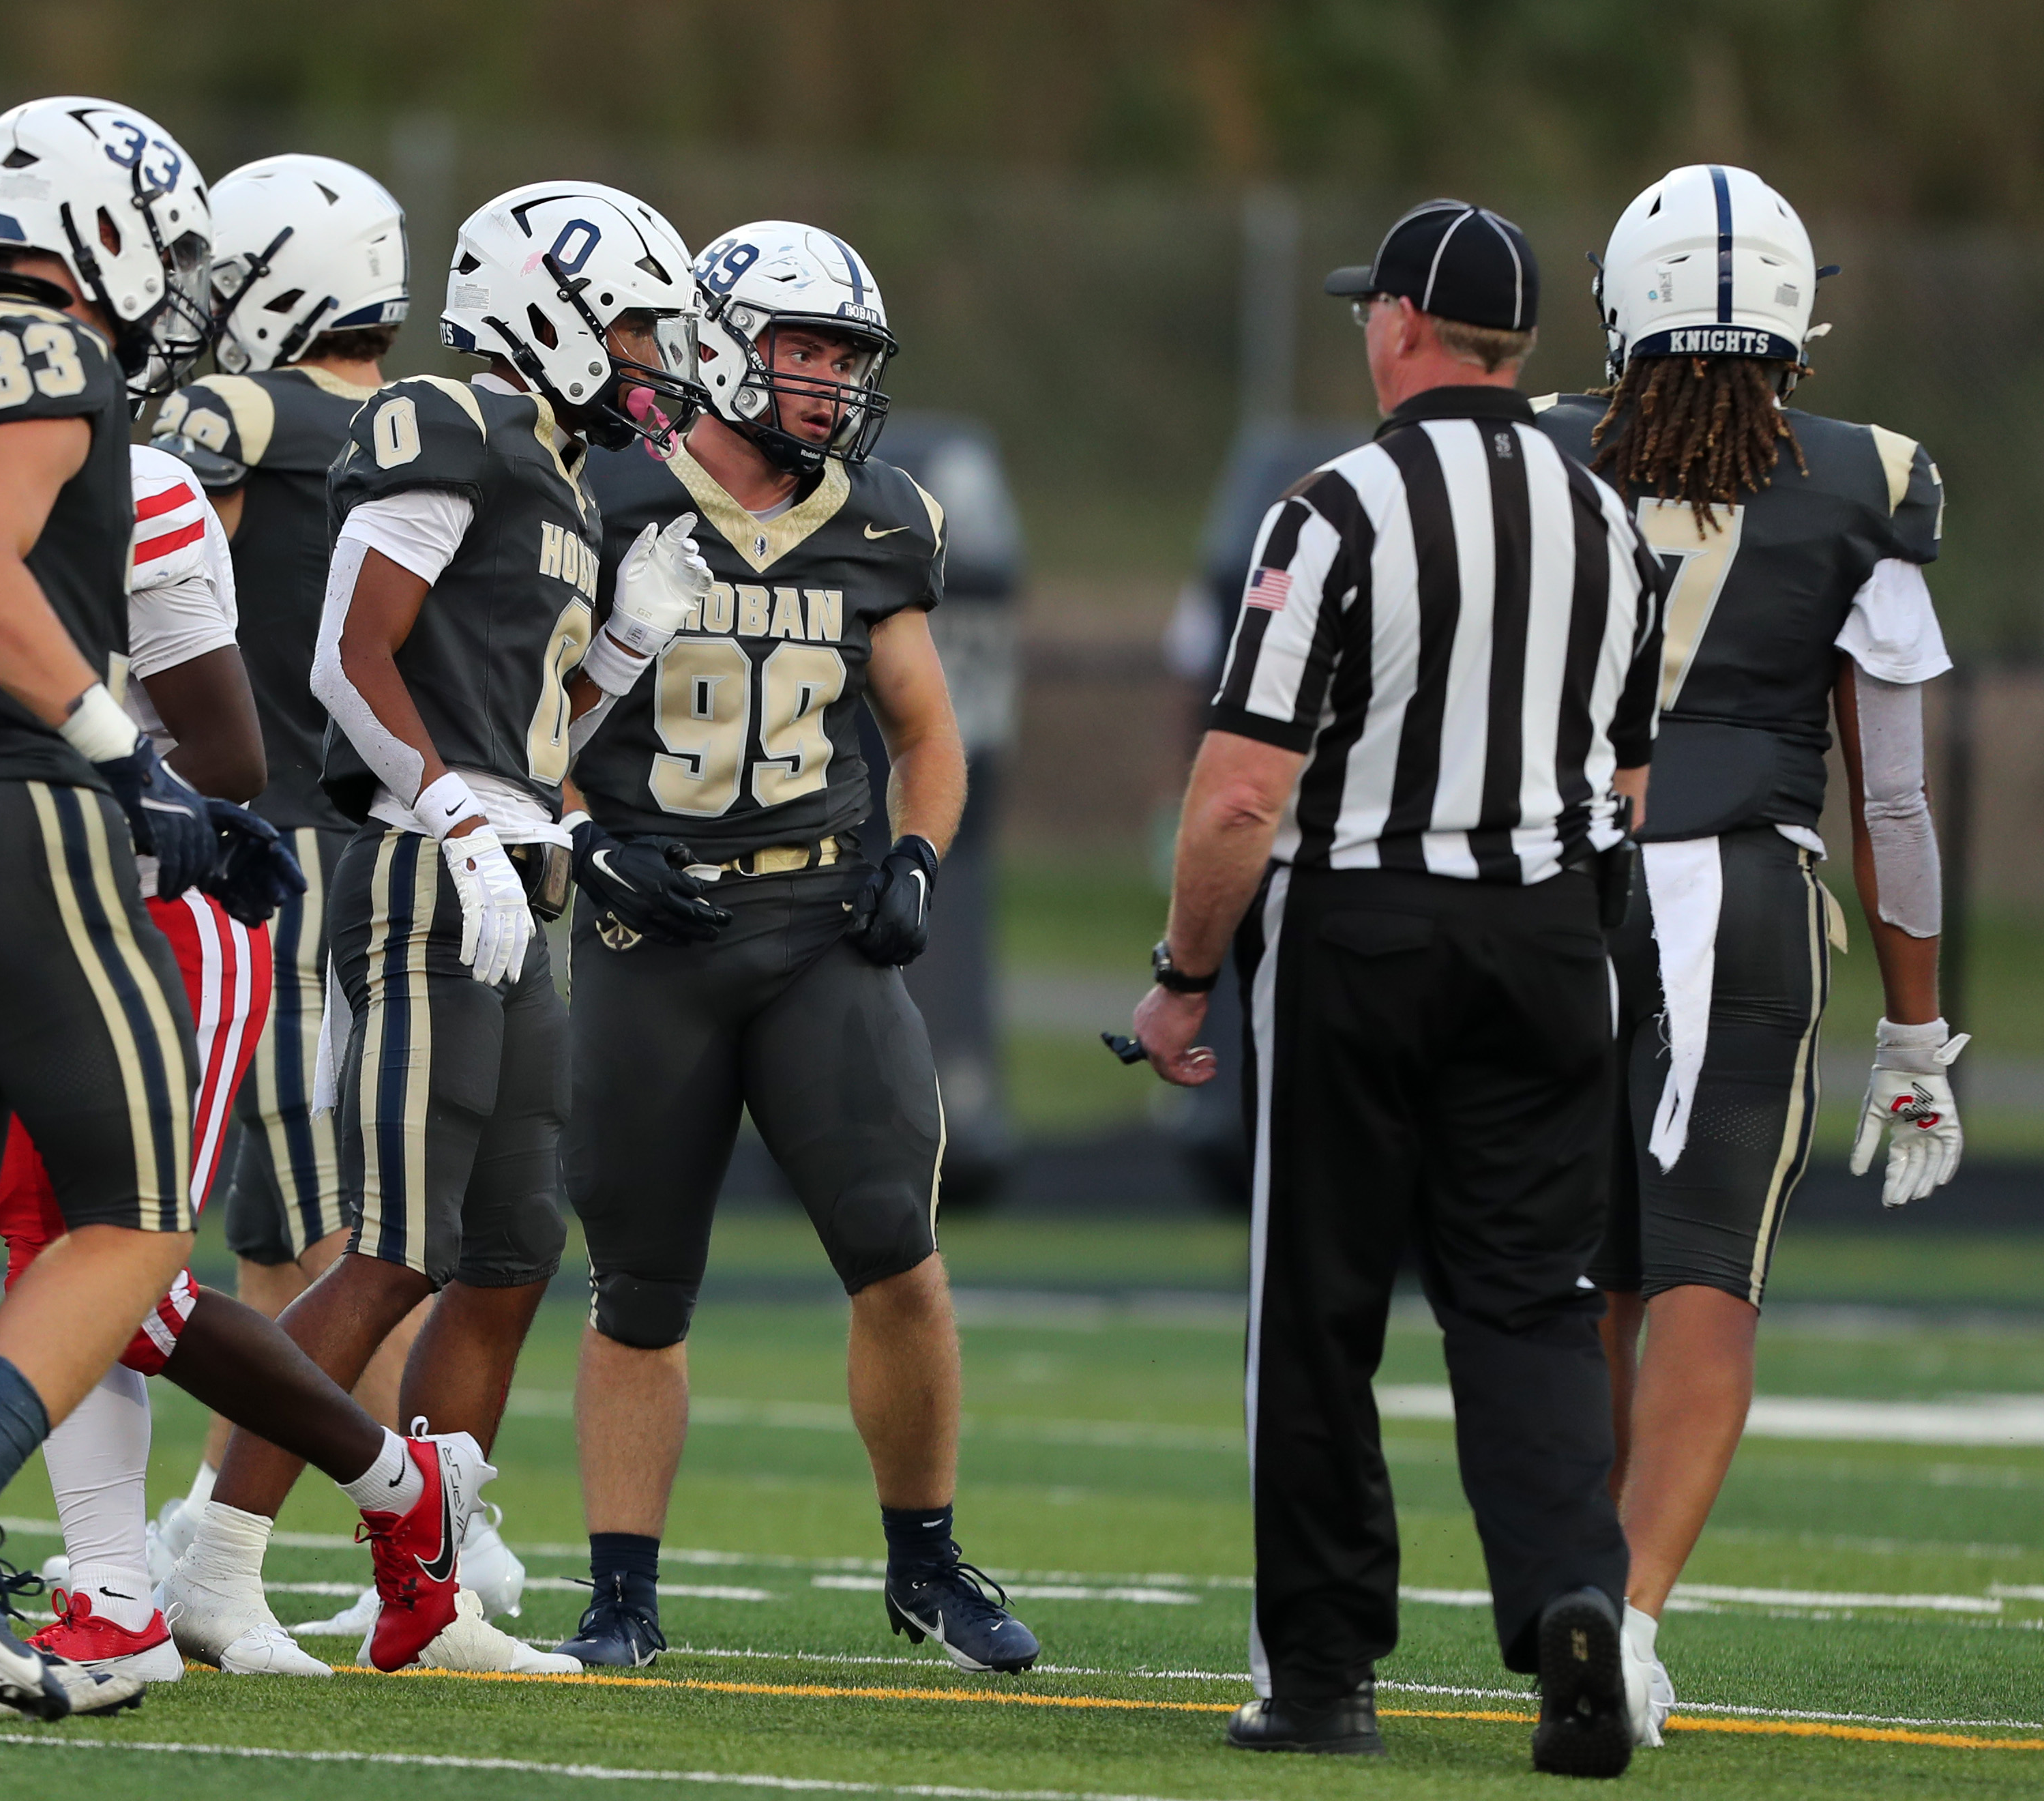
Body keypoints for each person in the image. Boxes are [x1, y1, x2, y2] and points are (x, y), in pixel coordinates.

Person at [0, 95, 469, 1725]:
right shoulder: (39, 347)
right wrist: (131, 766)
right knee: (130, 1229)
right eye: (161, 245)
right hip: (16, 816)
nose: (172, 286)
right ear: (95, 226)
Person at [1129, 199, 1663, 1776]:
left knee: (1316, 1311)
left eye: (1372, 307)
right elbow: (1625, 784)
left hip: (1362, 927)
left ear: (1404, 327)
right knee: (1531, 1303)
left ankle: (1320, 1673)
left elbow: (1242, 792)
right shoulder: (1607, 522)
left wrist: (1181, 977)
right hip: (1550, 937)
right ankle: (1572, 1597)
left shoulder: (1333, 509)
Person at [160, 178, 709, 1678]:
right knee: (393, 1246)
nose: (652, 361)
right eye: (632, 328)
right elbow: (349, 660)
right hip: (419, 872)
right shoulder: (445, 422)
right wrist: (455, 817)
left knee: (509, 1253)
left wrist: (624, 643)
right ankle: (215, 1556)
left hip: (511, 874)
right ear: (549, 309)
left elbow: (532, 726)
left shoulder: (563, 476)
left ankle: (431, 1585)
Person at [553, 220, 1035, 1675]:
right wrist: (585, 837)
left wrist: (915, 857)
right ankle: (621, 1595)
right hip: (649, 929)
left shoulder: (879, 517)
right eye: (801, 349)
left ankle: (925, 1564)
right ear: (713, 343)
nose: (828, 381)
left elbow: (926, 735)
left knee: (899, 1256)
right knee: (639, 1291)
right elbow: (522, 714)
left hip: (816, 928)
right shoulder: (609, 492)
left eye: (844, 356)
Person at [1530, 164, 1961, 1747]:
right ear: (1792, 321)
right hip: (1740, 896)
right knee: (1706, 1277)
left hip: (1546, 892)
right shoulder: (1865, 480)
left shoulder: (1533, 451)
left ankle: (1571, 1576)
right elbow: (1893, 801)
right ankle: (1628, 1621)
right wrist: (1913, 1038)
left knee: (1577, 1277)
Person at [143, 156, 526, 1633]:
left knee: (324, 1230)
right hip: (390, 838)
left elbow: (150, 588)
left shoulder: (239, 417)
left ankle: (408, 1527)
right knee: (289, 1230)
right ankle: (223, 1524)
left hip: (284, 854)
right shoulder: (430, 418)